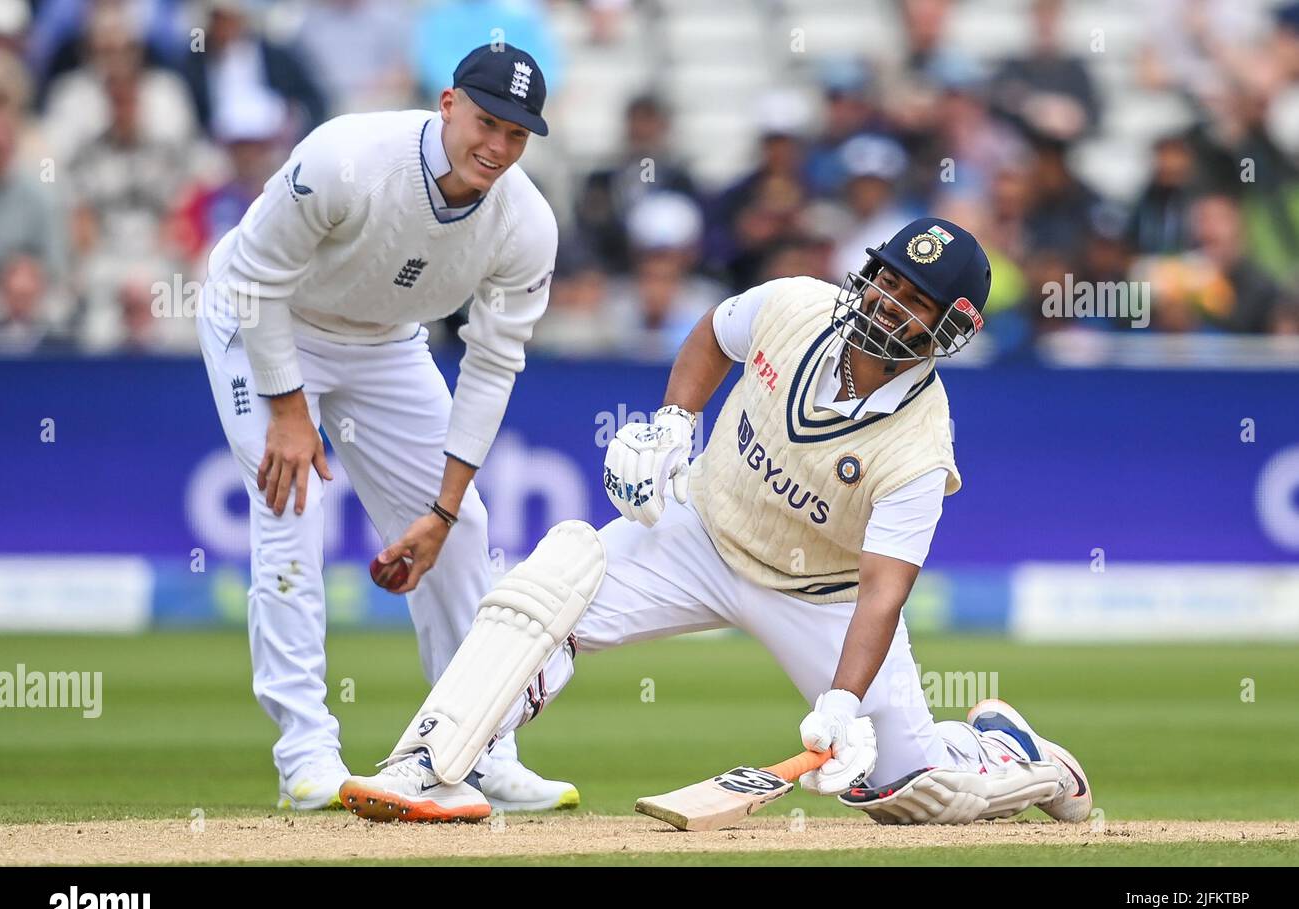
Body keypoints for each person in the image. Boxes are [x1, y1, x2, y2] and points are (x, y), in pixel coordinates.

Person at [339, 218, 1093, 827]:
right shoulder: (796, 305)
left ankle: (1010, 754)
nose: (889, 301)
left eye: (915, 297)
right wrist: (673, 422)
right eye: (888, 278)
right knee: (552, 587)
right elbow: (712, 334)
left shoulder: (921, 448)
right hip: (700, 531)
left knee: (909, 793)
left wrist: (838, 703)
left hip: (821, 596)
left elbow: (881, 591)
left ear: (949, 327)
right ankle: (430, 763)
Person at [195, 44, 576, 813]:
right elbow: (255, 279)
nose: (498, 148)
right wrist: (289, 410)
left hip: (389, 340)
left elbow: (493, 364)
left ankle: (474, 749)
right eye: (487, 122)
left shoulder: (526, 223)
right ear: (446, 103)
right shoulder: (346, 158)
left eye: (517, 135)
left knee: (465, 527)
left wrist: (436, 512)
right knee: (289, 504)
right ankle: (305, 754)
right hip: (265, 320)